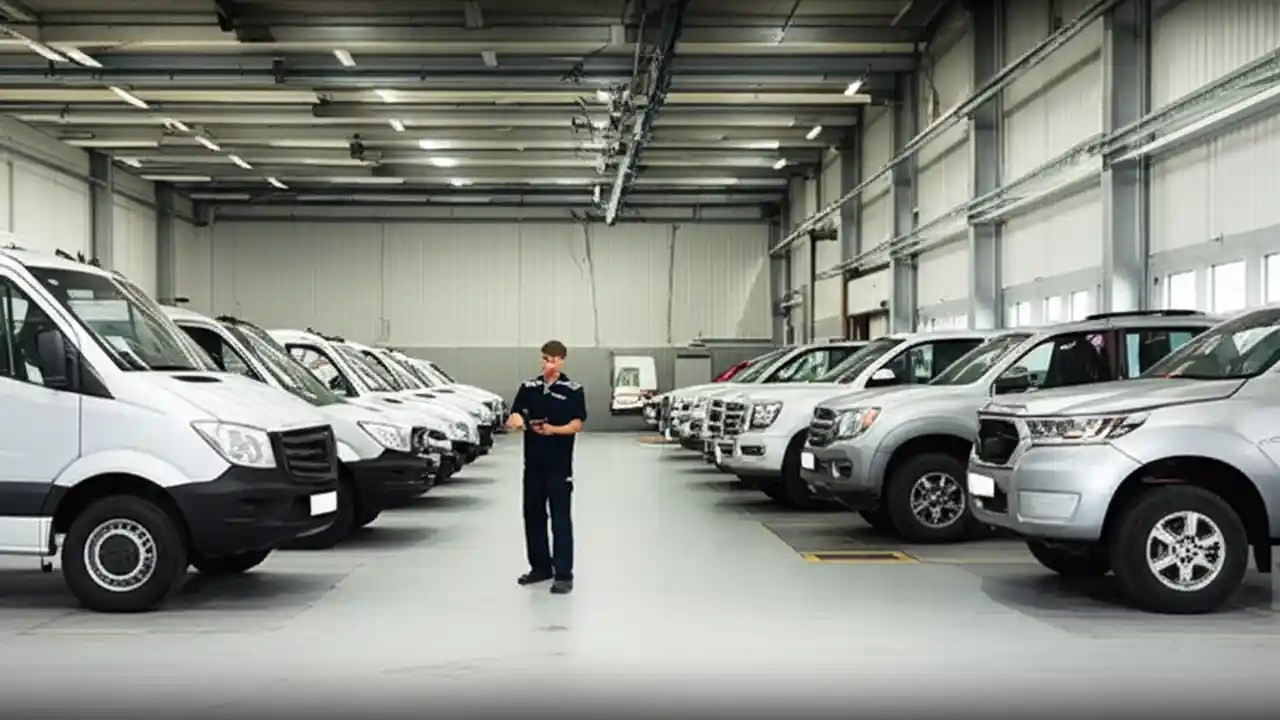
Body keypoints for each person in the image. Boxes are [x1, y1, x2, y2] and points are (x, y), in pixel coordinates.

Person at [505, 340, 587, 594]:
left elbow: (576, 425)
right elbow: (515, 414)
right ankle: (540, 567)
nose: (546, 364)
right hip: (533, 465)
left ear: (562, 361)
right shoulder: (528, 387)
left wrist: (552, 430)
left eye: (551, 360)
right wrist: (516, 420)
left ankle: (563, 573)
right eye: (543, 359)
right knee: (533, 515)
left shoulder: (573, 390)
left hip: (559, 466)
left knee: (560, 518)